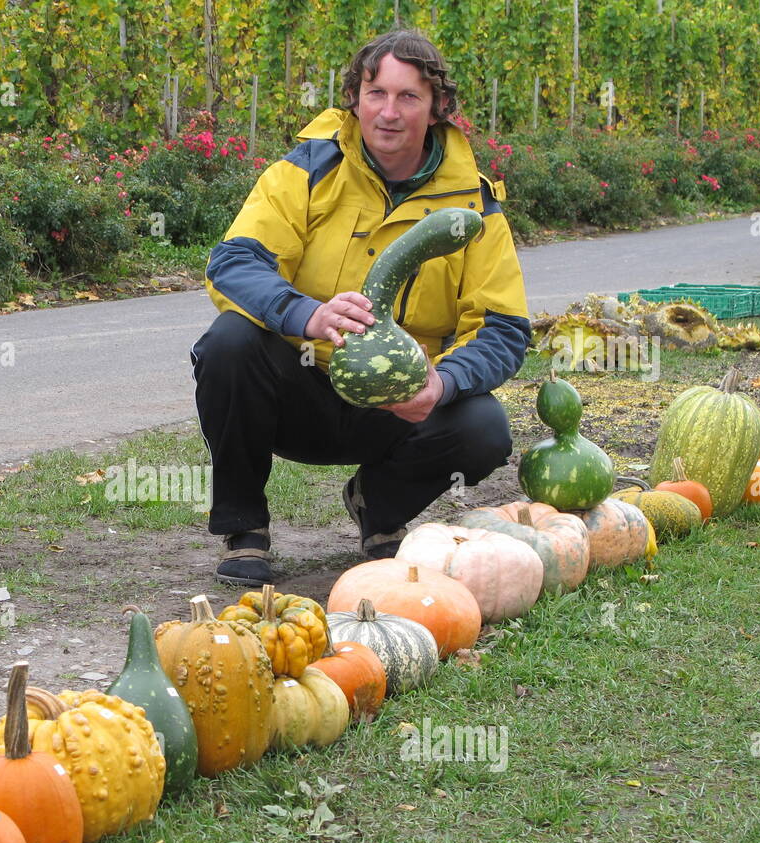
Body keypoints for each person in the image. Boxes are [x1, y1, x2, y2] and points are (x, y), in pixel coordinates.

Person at [191, 28, 531, 586]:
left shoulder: (473, 202)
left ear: (438, 106)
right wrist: (307, 314)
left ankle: (379, 505)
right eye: (376, 93)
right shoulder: (308, 169)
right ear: (354, 97)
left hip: (400, 409)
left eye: (408, 97)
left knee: (484, 426)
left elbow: (504, 328)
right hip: (298, 394)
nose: (389, 112)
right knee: (229, 343)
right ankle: (244, 526)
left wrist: (439, 386)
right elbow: (234, 262)